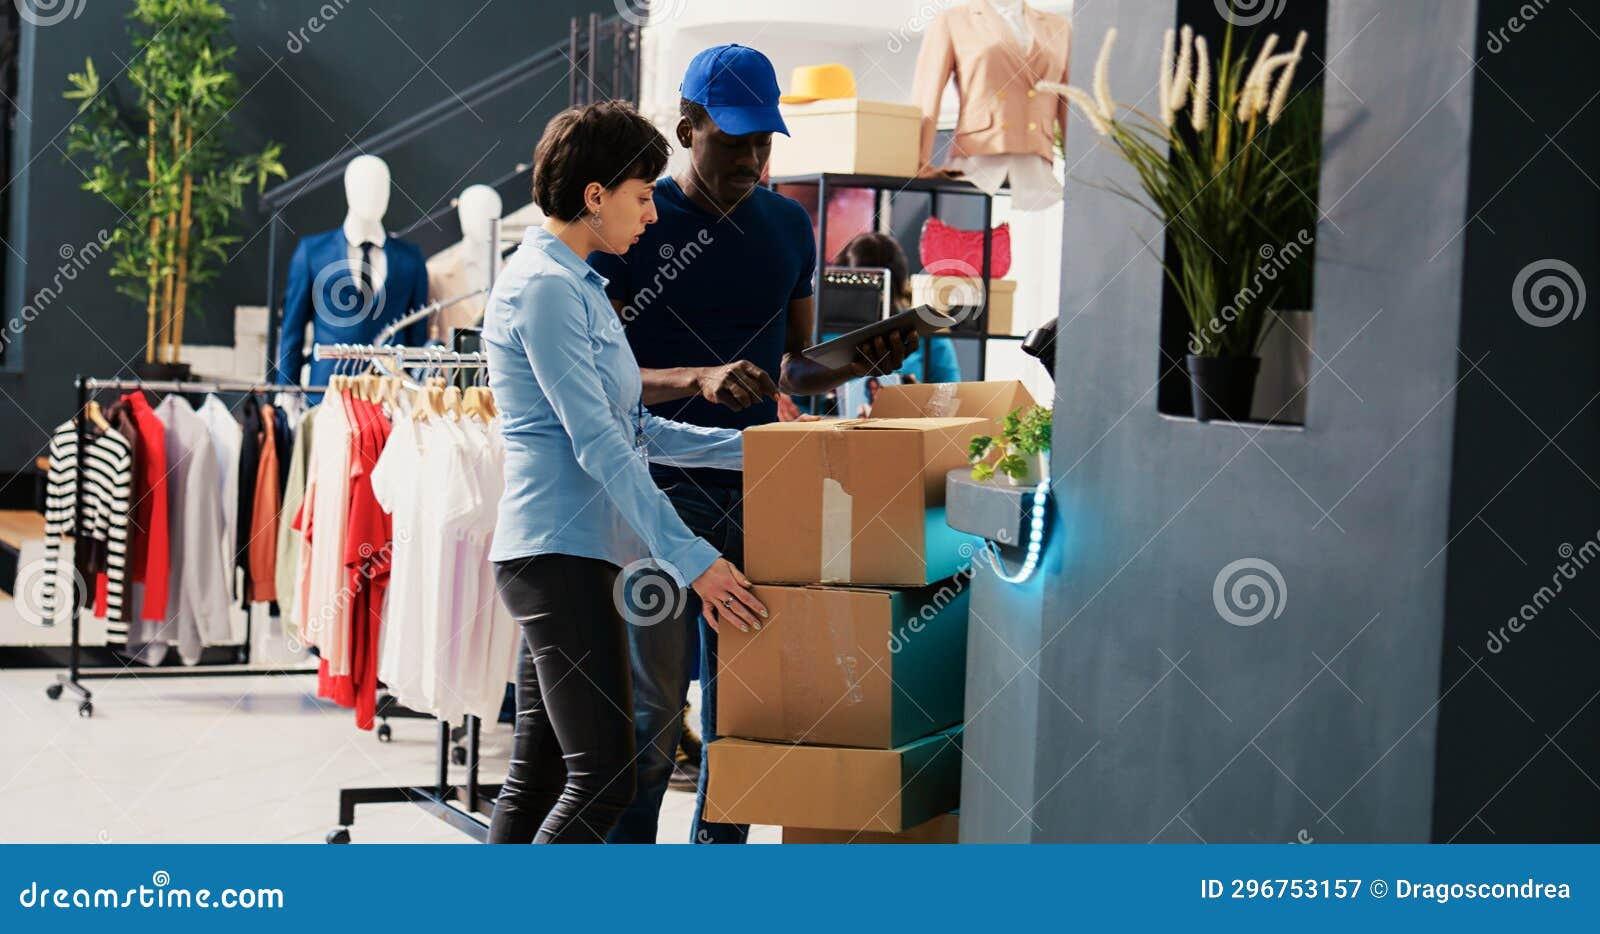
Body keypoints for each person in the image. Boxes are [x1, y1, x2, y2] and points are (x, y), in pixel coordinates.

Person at [588, 43, 917, 844]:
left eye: (764, 141)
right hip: (652, 495)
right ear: (686, 128)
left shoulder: (786, 225)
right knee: (653, 710)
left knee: (747, 710)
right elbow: (599, 378)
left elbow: (793, 368)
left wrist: (860, 357)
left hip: (763, 488)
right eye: (732, 140)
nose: (751, 158)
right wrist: (699, 377)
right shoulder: (636, 226)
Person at [481, 100, 769, 844]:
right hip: (555, 553)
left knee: (542, 775)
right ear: (595, 196)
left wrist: (766, 452)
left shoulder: (578, 284)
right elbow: (598, 447)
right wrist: (695, 561)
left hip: (576, 553)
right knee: (607, 772)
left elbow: (635, 429)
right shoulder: (544, 290)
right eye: (642, 197)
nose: (651, 216)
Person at [833, 231, 963, 385]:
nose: (876, 298)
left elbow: (952, 396)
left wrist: (918, 397)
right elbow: (802, 393)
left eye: (883, 287)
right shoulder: (826, 331)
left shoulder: (928, 335)